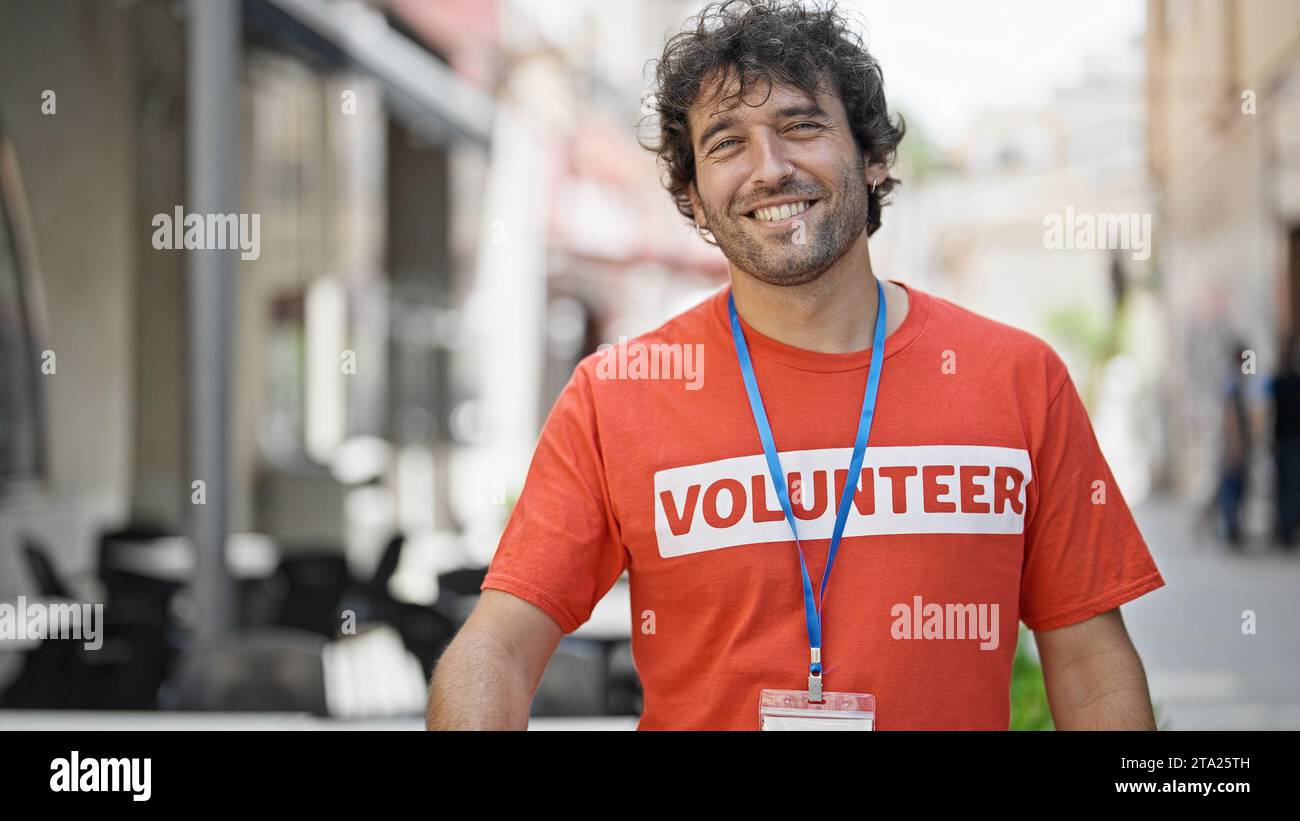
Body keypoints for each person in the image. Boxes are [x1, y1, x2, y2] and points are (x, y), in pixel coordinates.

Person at [427, 0, 1164, 730]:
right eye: (726, 144)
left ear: (873, 158)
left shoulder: (1019, 380)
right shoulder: (613, 398)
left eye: (800, 126)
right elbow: (497, 646)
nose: (769, 169)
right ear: (694, 197)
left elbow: (1090, 664)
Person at [1269, 334, 1300, 547]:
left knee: (1284, 487)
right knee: (1291, 487)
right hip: (1291, 441)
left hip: (1283, 441)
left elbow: (1265, 409)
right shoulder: (1292, 382)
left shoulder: (1277, 382)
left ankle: (1285, 528)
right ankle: (1287, 527)